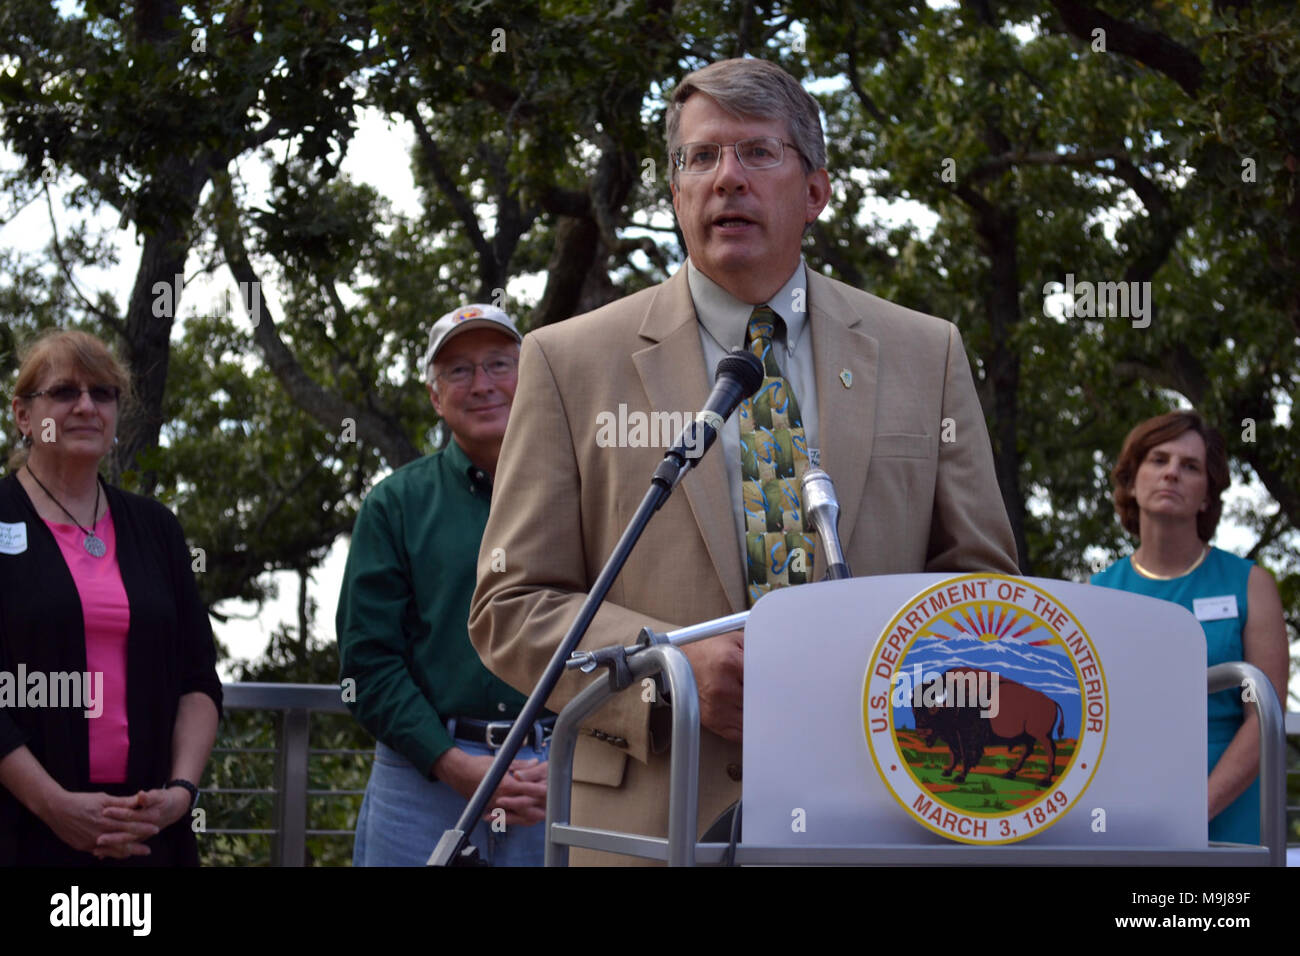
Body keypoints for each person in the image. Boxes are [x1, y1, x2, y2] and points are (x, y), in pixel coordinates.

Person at [469, 58, 1020, 865]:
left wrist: (883, 685)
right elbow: (509, 605)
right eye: (701, 158)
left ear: (816, 192)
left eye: (758, 153)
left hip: (877, 812)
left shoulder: (923, 352)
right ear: (676, 196)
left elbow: (983, 587)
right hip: (648, 826)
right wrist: (667, 668)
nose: (727, 179)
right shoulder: (567, 362)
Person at [338, 304, 551, 867]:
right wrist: (453, 765)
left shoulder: (580, 492)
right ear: (436, 397)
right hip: (424, 780)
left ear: (527, 378)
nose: (482, 385)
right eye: (458, 371)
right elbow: (367, 664)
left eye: (499, 365)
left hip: (554, 778)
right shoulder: (394, 506)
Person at [0, 329, 222, 865]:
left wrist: (179, 793)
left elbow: (198, 681)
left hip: (148, 830)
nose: (86, 406)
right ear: (24, 416)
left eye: (103, 394)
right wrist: (54, 805)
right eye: (63, 392)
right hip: (21, 827)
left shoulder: (156, 528)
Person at [1090, 410, 1287, 844]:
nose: (1172, 474)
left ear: (1206, 497)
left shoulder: (1251, 584)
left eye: (1190, 466)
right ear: (1132, 480)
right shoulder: (1096, 593)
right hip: (1127, 807)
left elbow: (1263, 718)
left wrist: (1199, 808)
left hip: (1230, 805)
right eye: (1158, 460)